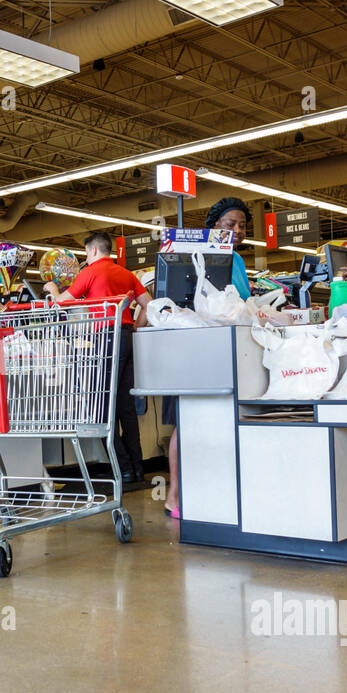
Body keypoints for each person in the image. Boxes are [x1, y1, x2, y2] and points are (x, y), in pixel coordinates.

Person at [160, 196, 255, 517]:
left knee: (217, 417)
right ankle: (174, 495)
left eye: (243, 226)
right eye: (231, 224)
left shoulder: (236, 260)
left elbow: (240, 302)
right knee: (185, 419)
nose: (238, 230)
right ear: (215, 226)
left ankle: (215, 489)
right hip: (191, 347)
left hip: (223, 347)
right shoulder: (194, 254)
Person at [44, 231, 151, 485]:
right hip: (126, 337)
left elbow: (61, 303)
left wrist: (52, 288)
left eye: (85, 252)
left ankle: (122, 468)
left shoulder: (89, 272)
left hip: (104, 338)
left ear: (92, 250)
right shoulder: (126, 274)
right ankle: (137, 468)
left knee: (100, 408)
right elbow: (149, 304)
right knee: (126, 407)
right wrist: (135, 328)